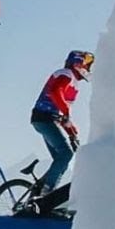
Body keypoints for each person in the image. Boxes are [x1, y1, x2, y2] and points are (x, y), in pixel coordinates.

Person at [30, 50, 95, 196]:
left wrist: (72, 131)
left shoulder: (74, 82)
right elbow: (55, 92)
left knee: (61, 161)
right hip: (44, 118)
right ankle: (47, 191)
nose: (88, 69)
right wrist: (66, 114)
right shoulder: (66, 74)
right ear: (78, 63)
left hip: (48, 119)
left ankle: (37, 191)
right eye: (87, 65)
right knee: (66, 154)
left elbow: (63, 112)